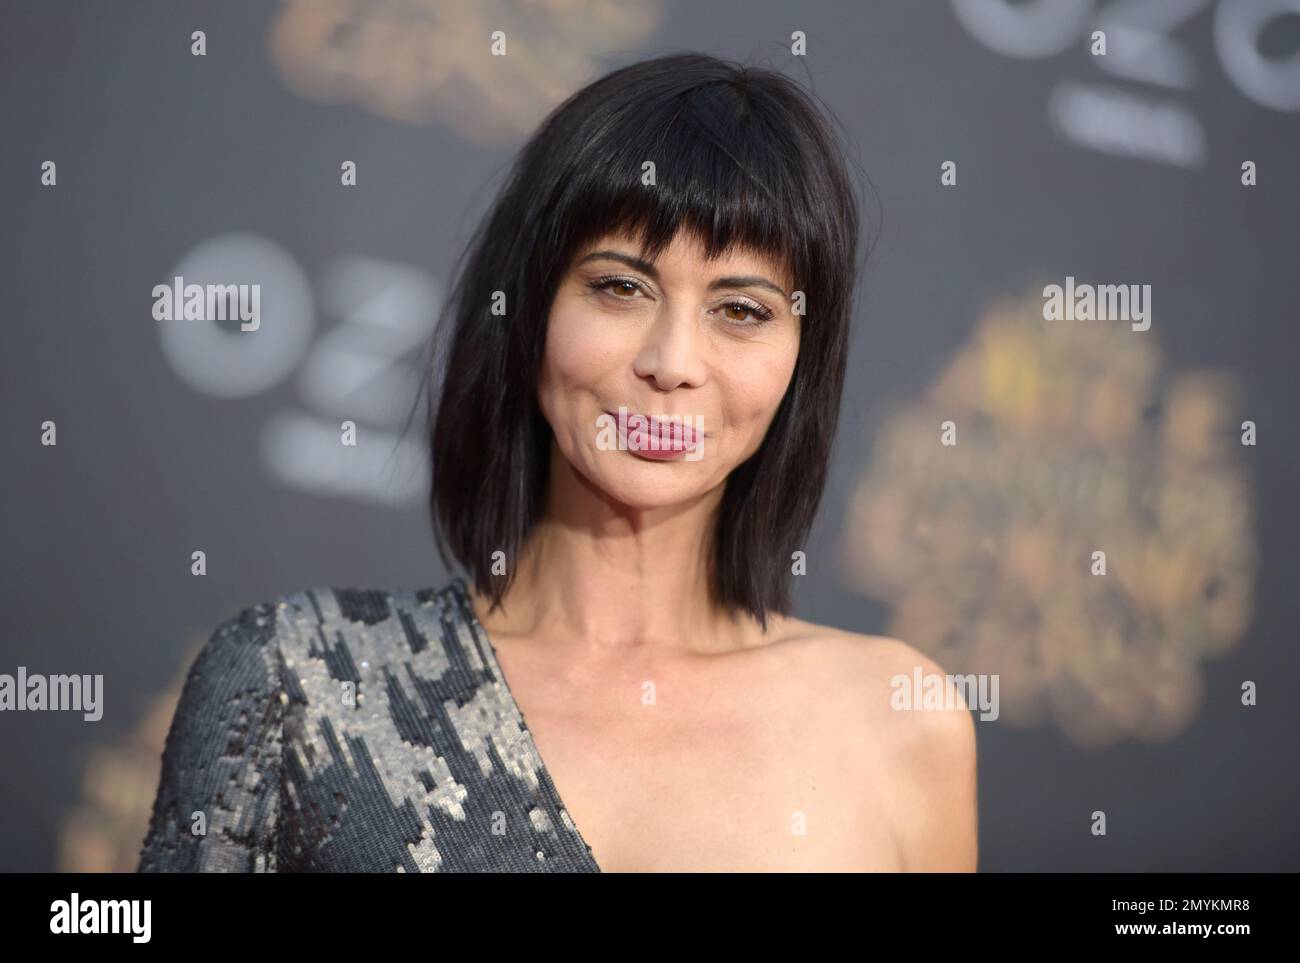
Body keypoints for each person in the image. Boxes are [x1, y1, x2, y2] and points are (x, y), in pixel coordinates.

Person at [138, 51, 977, 873]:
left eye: (742, 308)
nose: (673, 359)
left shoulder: (900, 721)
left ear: (804, 357)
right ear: (528, 308)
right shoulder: (302, 681)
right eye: (621, 287)